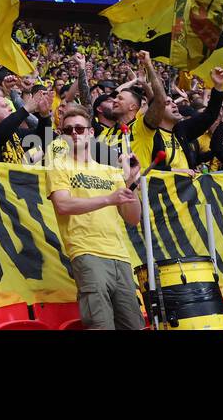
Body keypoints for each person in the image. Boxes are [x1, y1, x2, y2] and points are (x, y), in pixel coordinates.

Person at [48, 103, 144, 330]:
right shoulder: (58, 166)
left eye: (79, 129)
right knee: (101, 324)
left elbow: (133, 218)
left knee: (133, 325)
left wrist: (131, 183)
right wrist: (109, 199)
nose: (74, 133)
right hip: (86, 251)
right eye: (68, 130)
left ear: (91, 133)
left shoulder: (111, 171)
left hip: (120, 255)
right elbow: (63, 205)